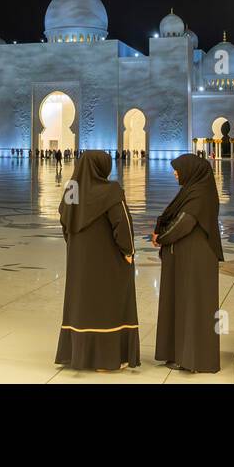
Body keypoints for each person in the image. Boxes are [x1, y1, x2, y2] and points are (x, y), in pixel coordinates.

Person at [56, 150, 139, 371]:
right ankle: (105, 359)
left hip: (79, 261)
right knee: (107, 303)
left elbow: (65, 223)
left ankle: (79, 355)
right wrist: (128, 252)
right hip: (107, 261)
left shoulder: (71, 190)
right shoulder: (110, 192)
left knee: (82, 303)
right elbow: (123, 226)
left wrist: (76, 248)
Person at [152, 154, 222, 373]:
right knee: (182, 303)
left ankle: (195, 359)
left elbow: (185, 223)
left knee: (193, 305)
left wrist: (162, 238)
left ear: (191, 170)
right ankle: (178, 354)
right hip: (186, 256)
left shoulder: (200, 194)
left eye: (178, 169)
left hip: (196, 258)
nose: (175, 173)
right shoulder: (192, 191)